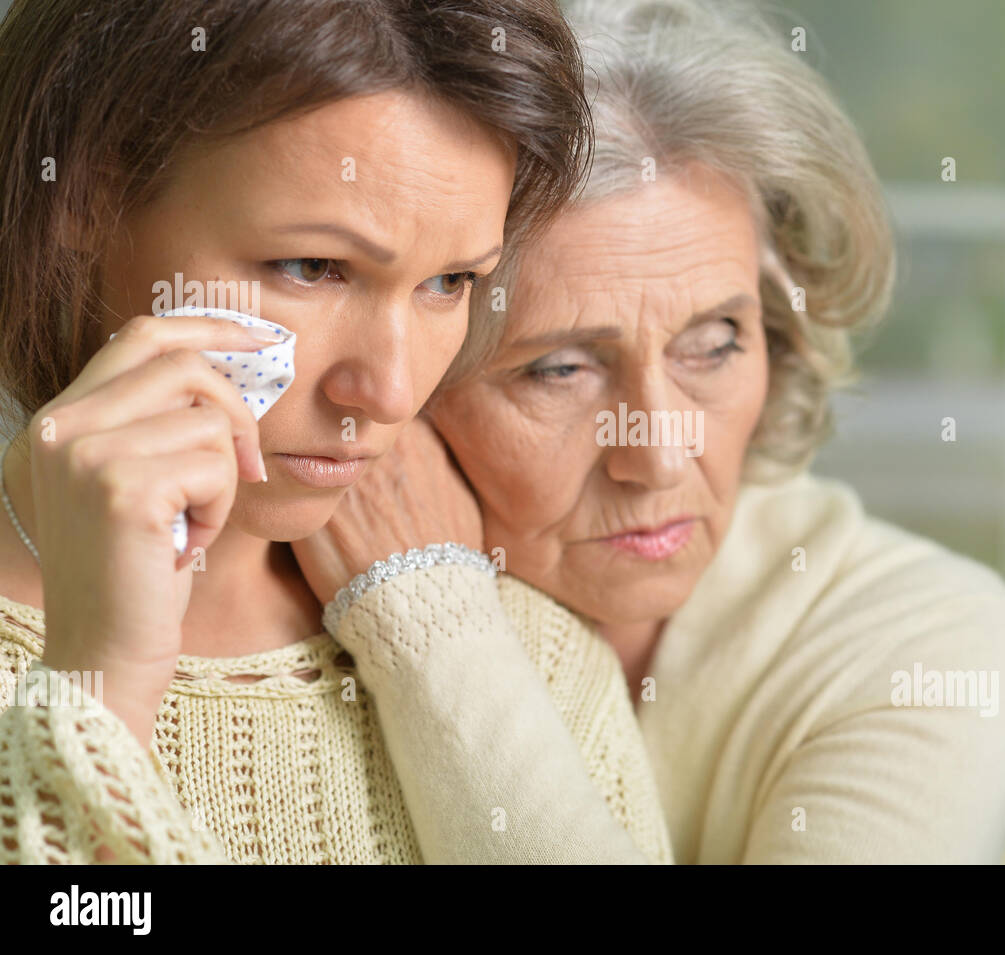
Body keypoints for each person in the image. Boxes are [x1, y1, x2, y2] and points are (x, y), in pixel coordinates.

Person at [325, 0, 1005, 863]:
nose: (659, 456)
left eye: (713, 345)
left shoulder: (921, 636)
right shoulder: (273, 615)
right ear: (413, 382)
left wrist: (425, 617)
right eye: (560, 370)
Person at [0, 0, 671, 864]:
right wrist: (98, 695)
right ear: (85, 201)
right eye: (313, 267)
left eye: (451, 282)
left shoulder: (529, 665)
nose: (388, 391)